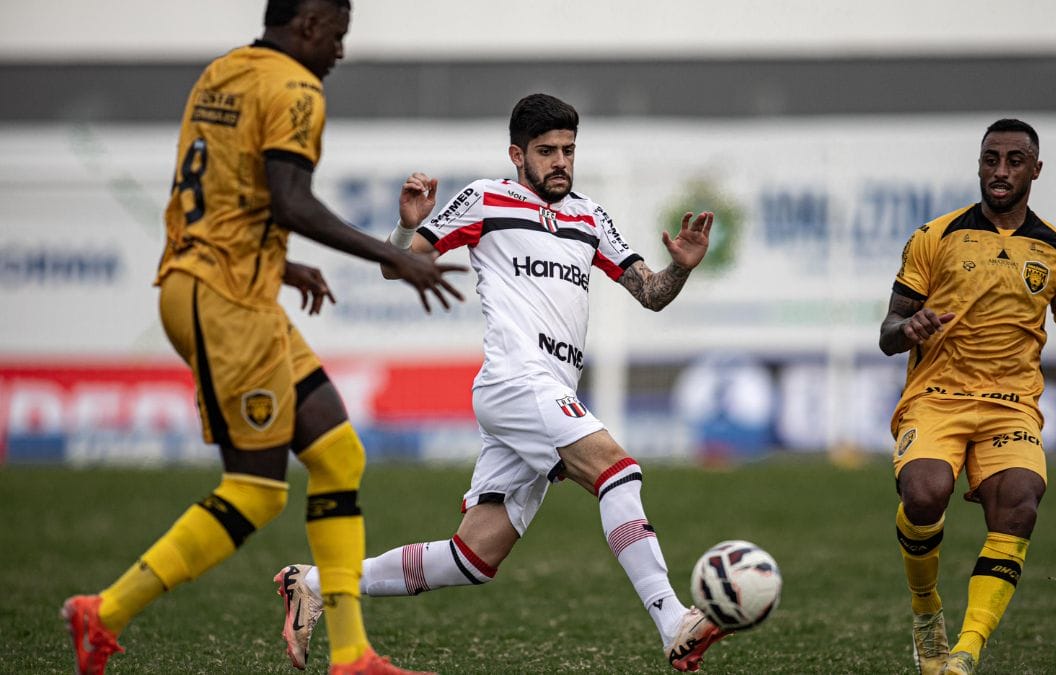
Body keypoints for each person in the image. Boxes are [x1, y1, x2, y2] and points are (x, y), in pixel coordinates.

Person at [60, 2, 464, 674]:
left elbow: (220, 195)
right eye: (337, 35)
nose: (338, 51)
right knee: (257, 488)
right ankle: (104, 611)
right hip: (225, 302)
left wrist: (277, 261)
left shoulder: (221, 74)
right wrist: (391, 255)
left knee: (337, 454)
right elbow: (290, 199)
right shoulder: (296, 88)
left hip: (225, 284)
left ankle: (352, 654)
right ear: (308, 25)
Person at [271, 93, 725, 672]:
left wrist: (681, 267)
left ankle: (312, 583)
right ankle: (672, 620)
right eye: (546, 151)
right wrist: (405, 229)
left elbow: (650, 293)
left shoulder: (590, 216)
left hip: (549, 390)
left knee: (473, 557)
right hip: (515, 381)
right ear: (518, 153)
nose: (560, 161)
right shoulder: (485, 198)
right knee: (618, 470)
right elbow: (397, 264)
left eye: (568, 149)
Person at [879, 118, 1056, 675]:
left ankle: (965, 653)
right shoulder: (934, 237)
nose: (1000, 170)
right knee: (924, 494)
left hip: (1009, 405)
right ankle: (927, 614)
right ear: (978, 164)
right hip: (937, 396)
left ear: (1035, 170)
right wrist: (909, 328)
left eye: (1015, 160)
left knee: (1019, 502)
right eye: (991, 158)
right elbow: (888, 332)